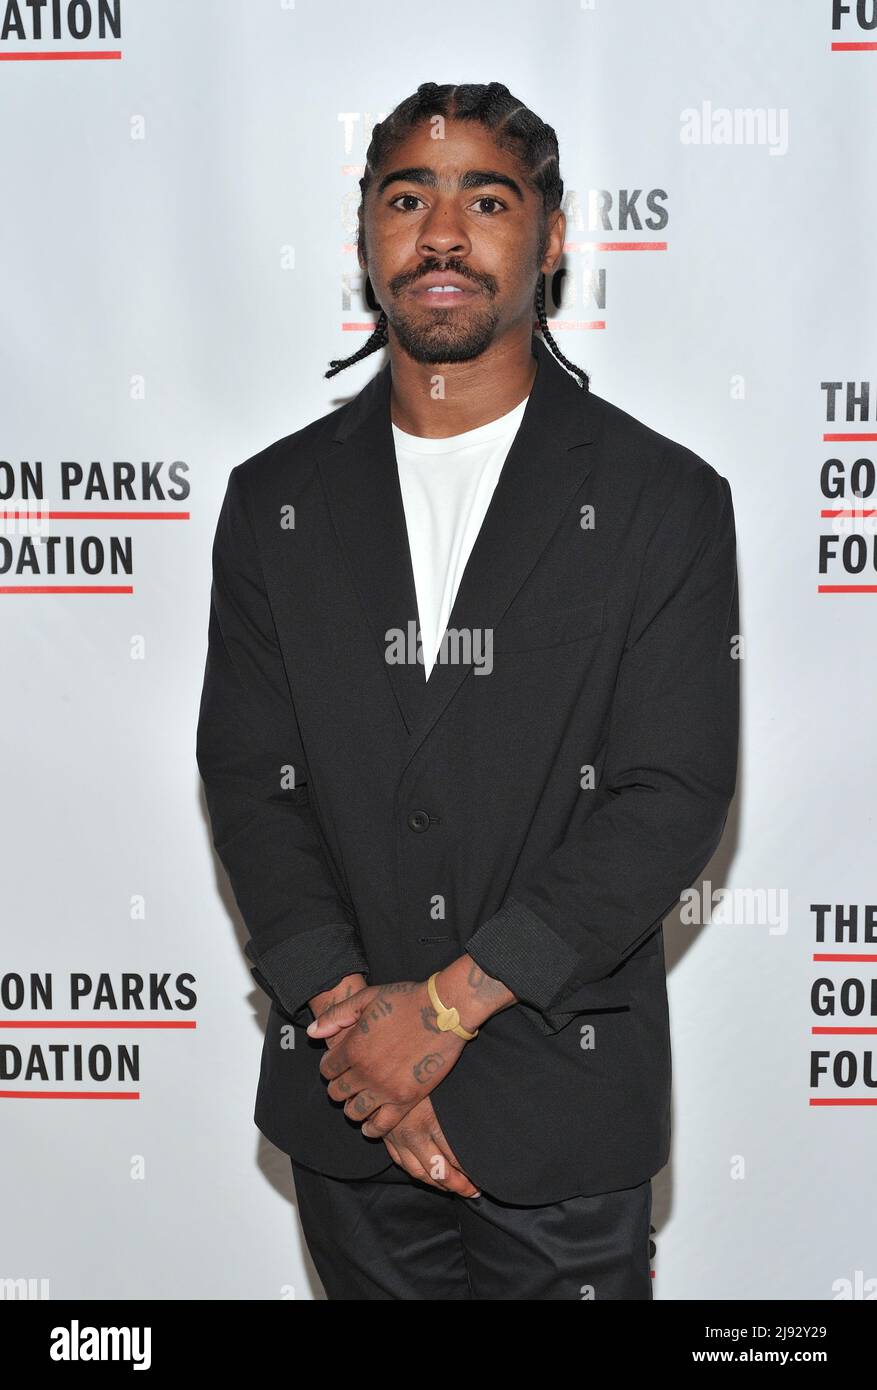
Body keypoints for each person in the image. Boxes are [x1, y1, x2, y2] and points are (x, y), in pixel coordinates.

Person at [195, 81, 740, 1300]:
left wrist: (437, 1016)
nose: (442, 234)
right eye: (407, 199)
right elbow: (248, 777)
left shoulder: (664, 502)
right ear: (365, 240)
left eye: (486, 199)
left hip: (560, 1106)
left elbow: (668, 797)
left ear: (551, 239)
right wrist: (359, 1035)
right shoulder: (274, 501)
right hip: (346, 1114)